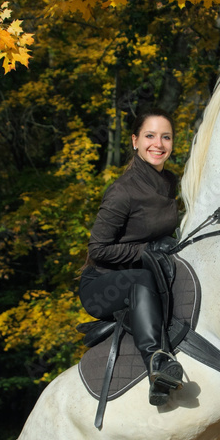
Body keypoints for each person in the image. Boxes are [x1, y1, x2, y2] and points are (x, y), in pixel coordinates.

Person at [79, 109, 183, 406]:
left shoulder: (170, 184)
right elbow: (97, 249)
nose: (158, 144)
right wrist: (146, 251)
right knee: (142, 277)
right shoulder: (122, 191)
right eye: (150, 136)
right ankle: (157, 363)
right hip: (101, 287)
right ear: (135, 141)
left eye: (166, 137)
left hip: (146, 279)